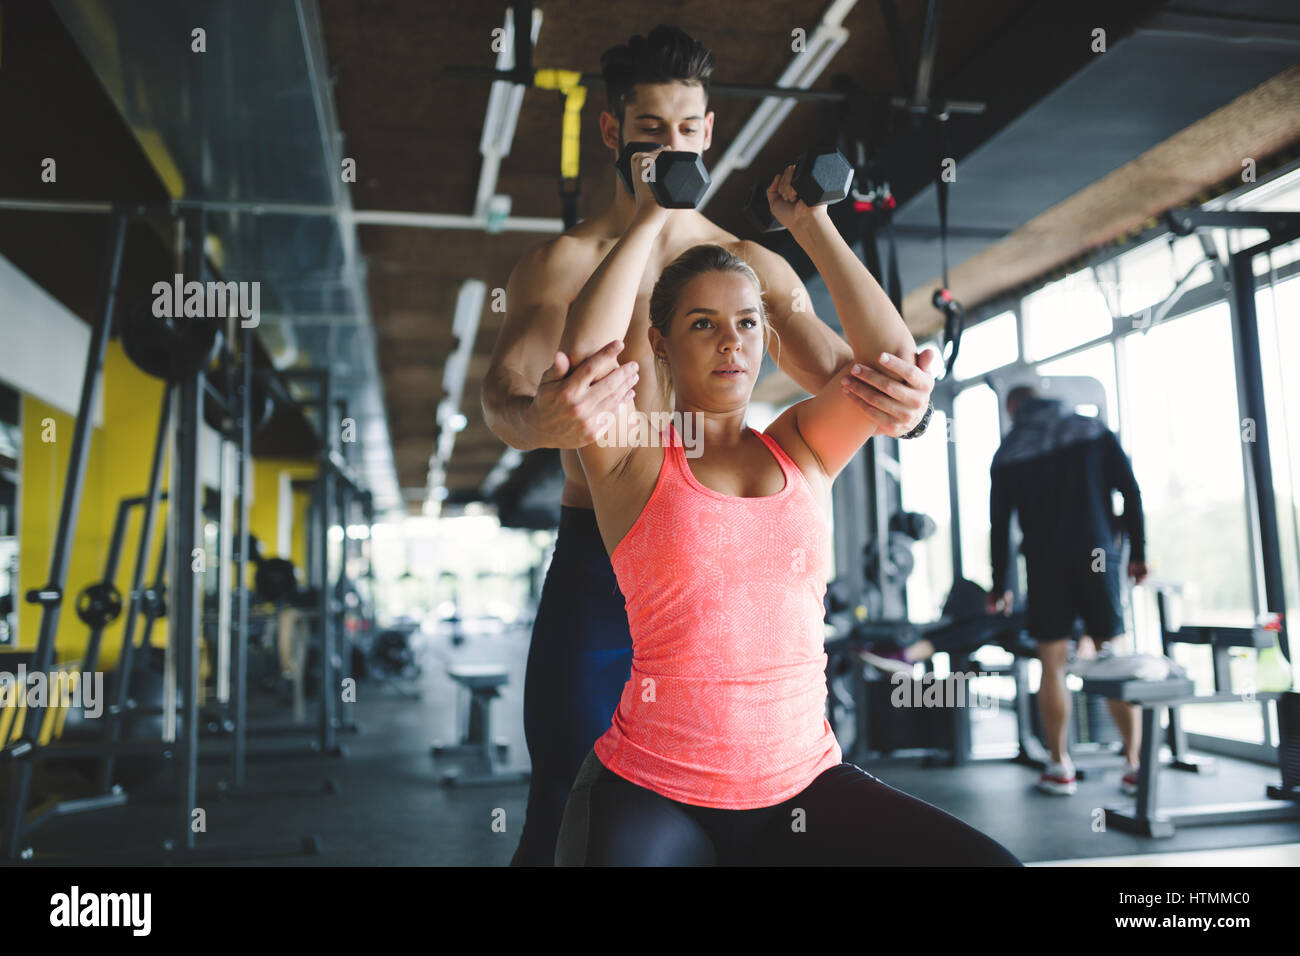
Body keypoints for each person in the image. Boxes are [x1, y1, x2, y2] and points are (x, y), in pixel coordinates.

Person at [481, 25, 939, 865]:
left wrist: (900, 398)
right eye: (652, 132)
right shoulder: (562, 263)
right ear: (614, 133)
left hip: (719, 547)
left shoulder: (746, 266)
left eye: (689, 131)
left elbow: (848, 373)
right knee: (562, 793)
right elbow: (503, 399)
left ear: (710, 132)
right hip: (602, 550)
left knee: (742, 800)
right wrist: (544, 424)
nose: (673, 148)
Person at [549, 148, 1021, 866]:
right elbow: (587, 351)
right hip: (654, 789)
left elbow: (891, 360)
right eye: (702, 324)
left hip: (803, 782)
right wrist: (651, 215)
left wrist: (810, 223)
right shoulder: (635, 454)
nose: (731, 342)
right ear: (662, 342)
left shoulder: (799, 444)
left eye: (745, 323)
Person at [987, 385, 1149, 796]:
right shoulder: (1091, 430)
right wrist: (1138, 553)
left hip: (1045, 564)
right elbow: (1130, 491)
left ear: (1014, 410)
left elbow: (1000, 525)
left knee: (1053, 664)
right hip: (1098, 555)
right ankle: (1134, 766)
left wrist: (1000, 583)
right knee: (1116, 657)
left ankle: (1060, 766)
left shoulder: (1010, 450)